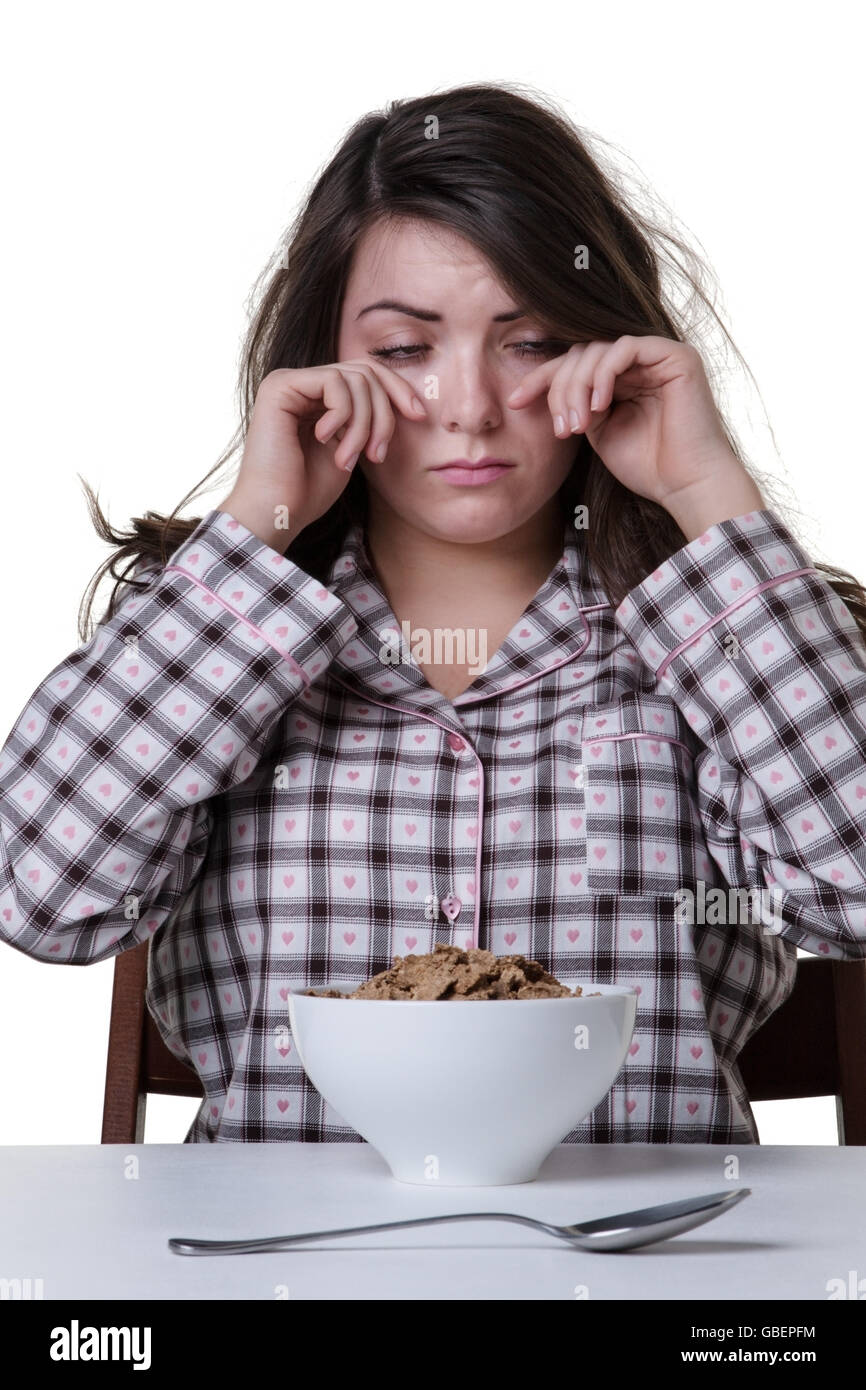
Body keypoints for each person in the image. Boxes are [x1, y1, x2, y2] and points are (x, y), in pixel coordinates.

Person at [2, 82, 865, 1146]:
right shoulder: (212, 632)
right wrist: (255, 523)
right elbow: (42, 895)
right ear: (321, 356)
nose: (468, 406)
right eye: (407, 348)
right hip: (283, 1269)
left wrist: (704, 493)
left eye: (530, 341)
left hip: (643, 1272)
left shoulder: (726, 640)